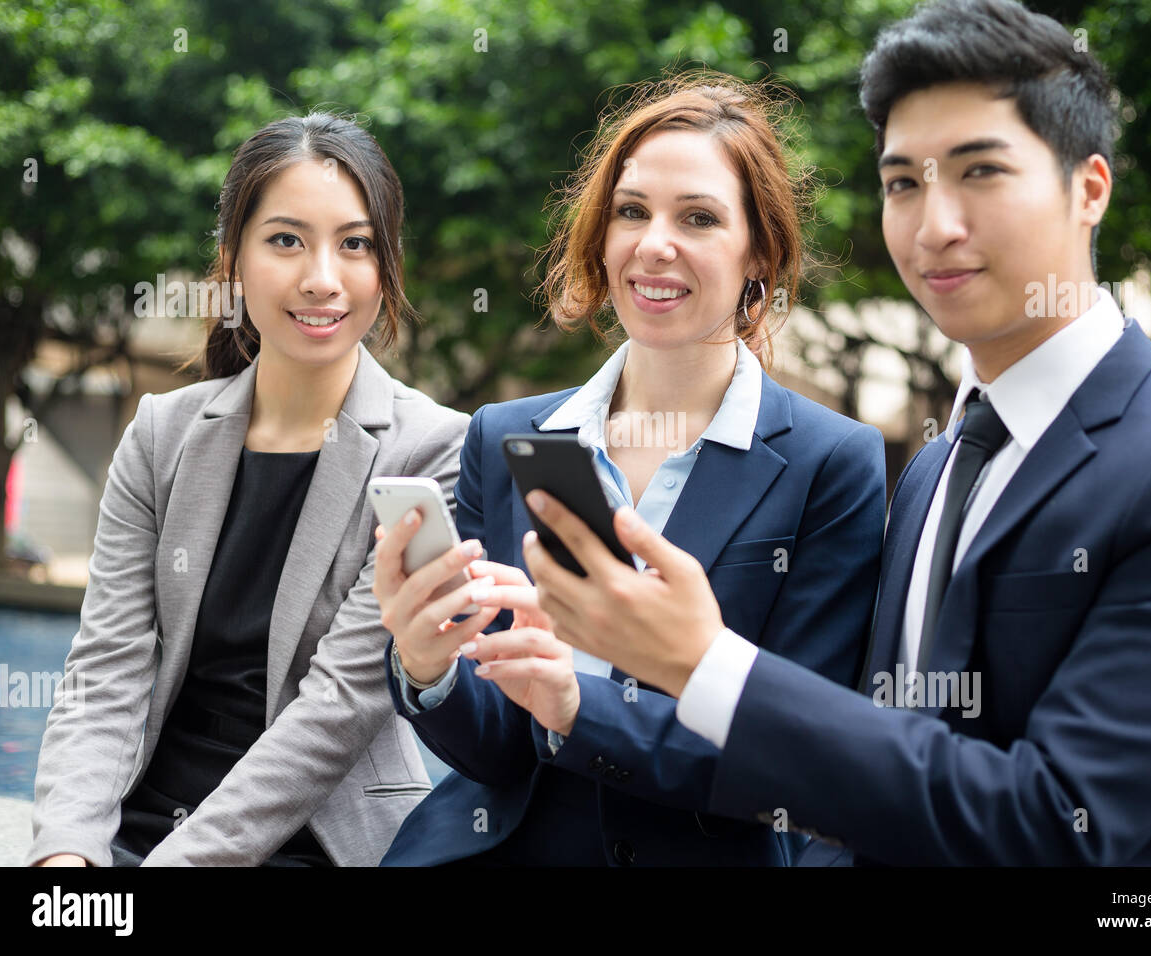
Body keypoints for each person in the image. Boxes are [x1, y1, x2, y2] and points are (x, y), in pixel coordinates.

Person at [518, 0, 1151, 865]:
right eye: (903, 183)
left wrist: (705, 663)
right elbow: (871, 766)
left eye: (980, 172)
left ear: (1089, 189)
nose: (934, 225)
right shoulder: (935, 466)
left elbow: (1053, 823)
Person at [373, 74, 886, 866]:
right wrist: (428, 666)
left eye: (700, 218)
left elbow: (790, 754)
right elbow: (497, 752)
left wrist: (579, 707)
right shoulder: (505, 437)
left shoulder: (830, 463)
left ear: (759, 251)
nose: (654, 244)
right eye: (632, 211)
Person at [26, 113, 468, 867]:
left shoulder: (432, 452)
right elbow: (104, 672)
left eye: (355, 244)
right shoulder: (162, 434)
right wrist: (66, 857)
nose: (321, 277)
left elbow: (338, 709)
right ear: (233, 260)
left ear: (385, 265)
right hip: (140, 822)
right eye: (286, 240)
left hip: (316, 839)